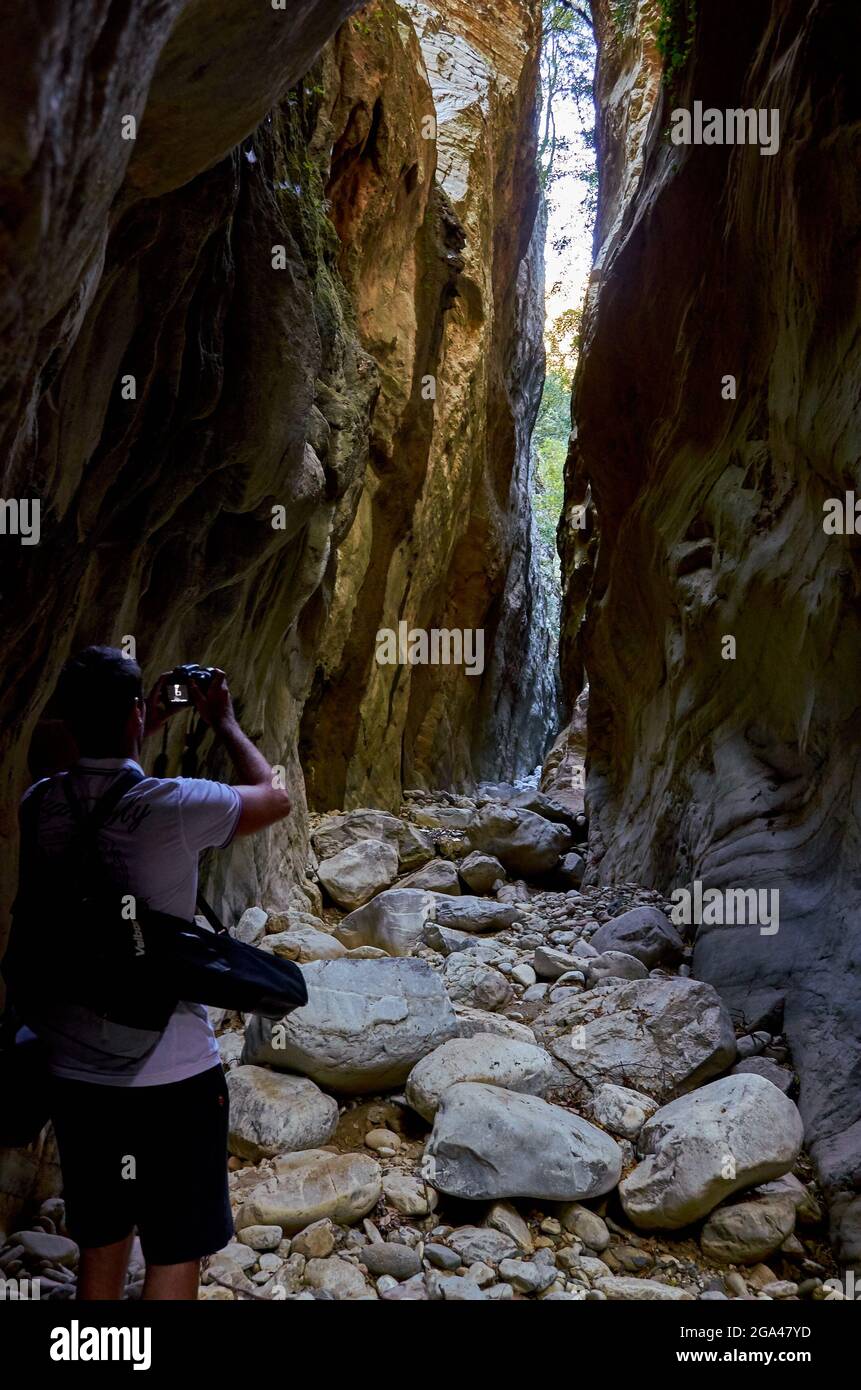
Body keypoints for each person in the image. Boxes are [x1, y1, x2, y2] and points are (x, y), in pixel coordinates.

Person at [15, 645, 291, 1301]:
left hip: (75, 1071)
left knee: (101, 1245)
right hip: (172, 1072)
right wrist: (220, 719)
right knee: (174, 1250)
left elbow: (79, 775)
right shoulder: (173, 806)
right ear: (136, 716)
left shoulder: (40, 807)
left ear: (68, 722)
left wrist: (136, 723)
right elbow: (274, 797)